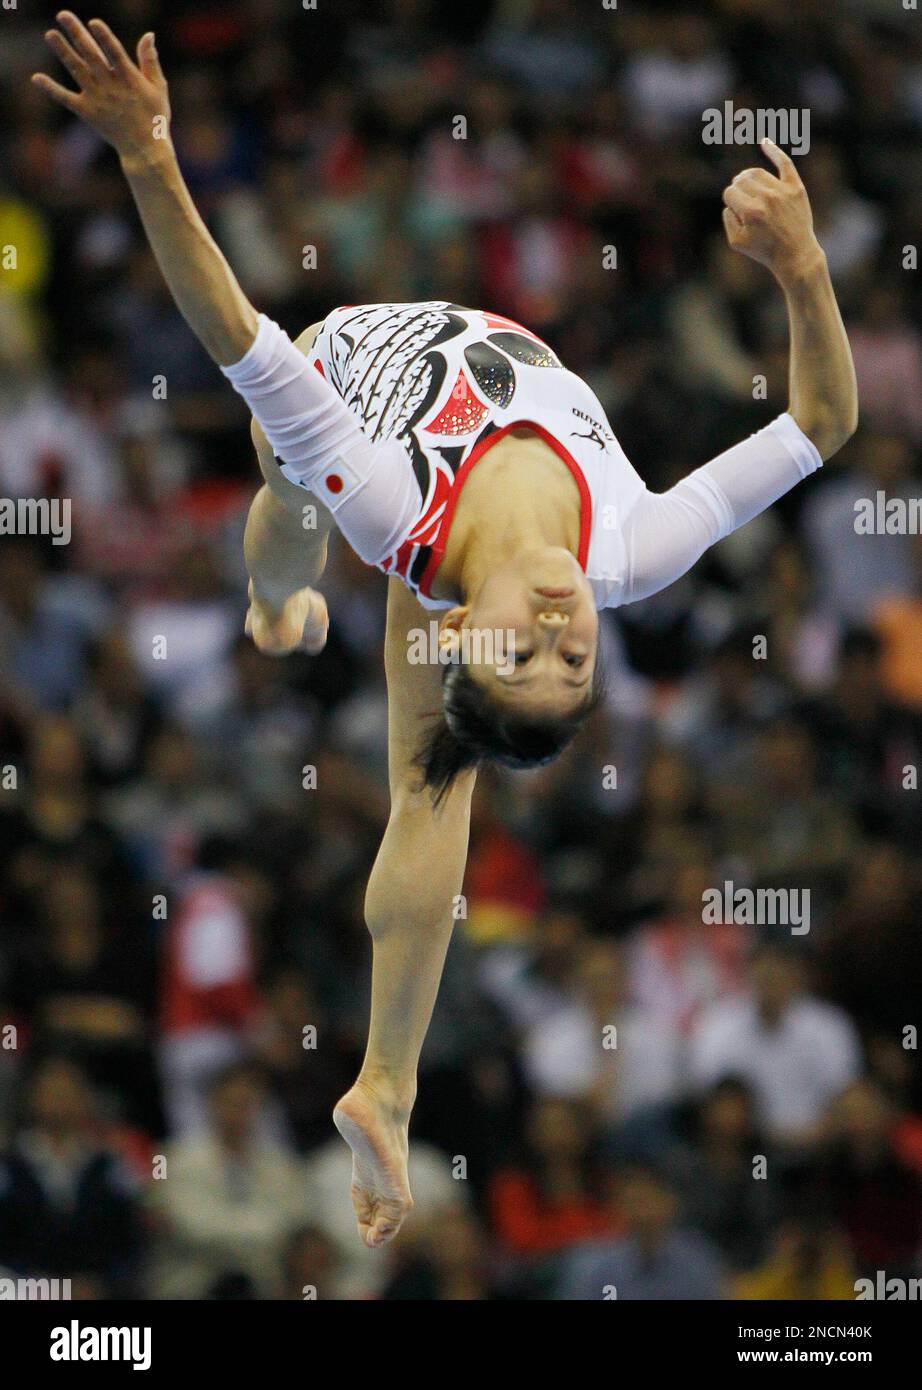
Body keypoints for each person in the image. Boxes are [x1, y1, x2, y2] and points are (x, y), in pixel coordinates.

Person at [34, 12, 858, 1248]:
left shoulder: (388, 502)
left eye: (518, 652)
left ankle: (269, 604)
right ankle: (388, 1088)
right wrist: (802, 269)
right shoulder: (633, 550)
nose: (557, 630)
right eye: (573, 658)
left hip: (342, 381)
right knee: (429, 788)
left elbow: (234, 333)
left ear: (462, 631)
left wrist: (150, 158)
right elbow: (824, 424)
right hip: (462, 387)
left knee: (287, 497)